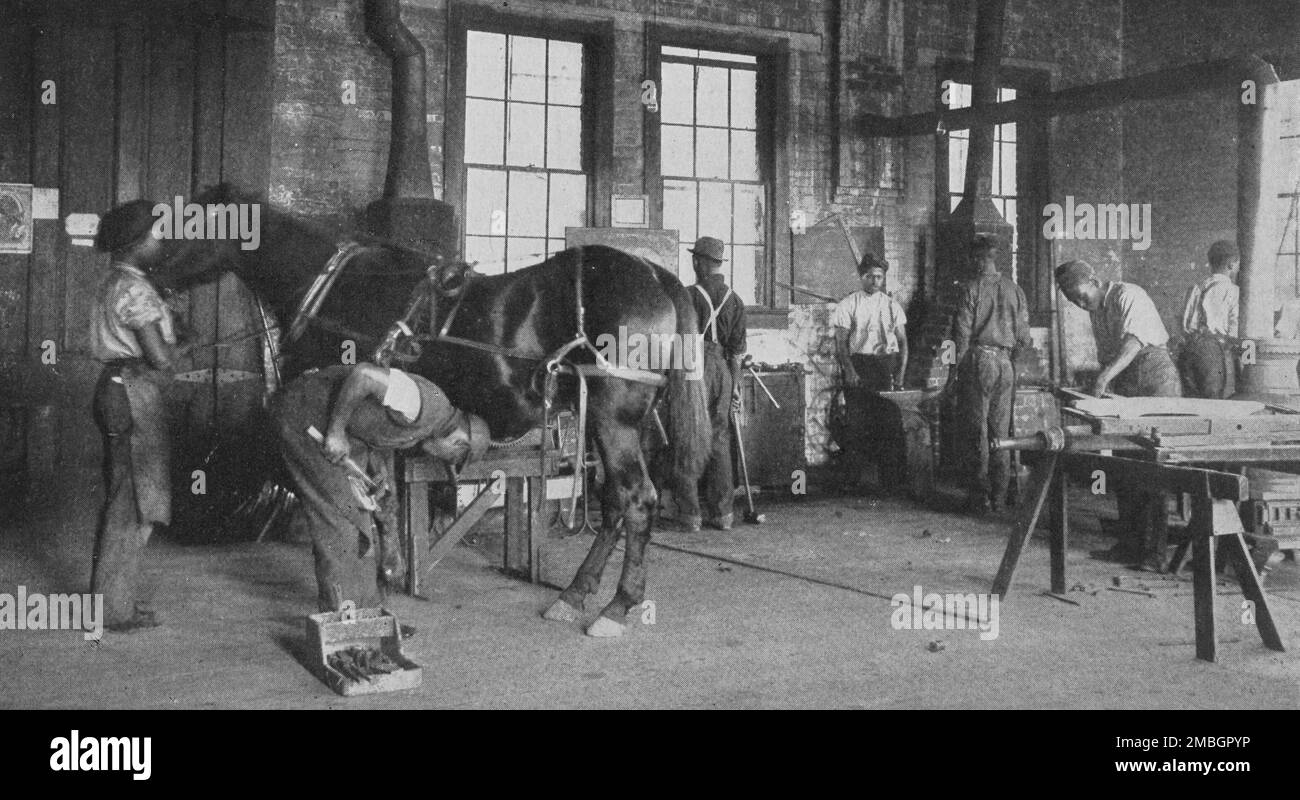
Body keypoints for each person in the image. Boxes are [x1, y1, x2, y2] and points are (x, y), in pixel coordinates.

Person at [271, 363, 489, 612]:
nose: (440, 461)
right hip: (306, 413)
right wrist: (336, 431)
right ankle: (342, 618)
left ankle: (367, 613)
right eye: (449, 458)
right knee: (340, 520)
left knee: (364, 521)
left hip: (341, 430)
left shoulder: (428, 427)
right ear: (459, 442)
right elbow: (364, 375)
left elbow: (382, 437)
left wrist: (381, 485)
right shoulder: (423, 405)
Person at [90, 199, 183, 632]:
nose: (160, 241)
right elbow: (160, 360)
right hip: (131, 391)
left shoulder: (119, 280)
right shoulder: (135, 289)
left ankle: (117, 600)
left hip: (116, 388)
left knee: (128, 498)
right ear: (135, 243)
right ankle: (111, 610)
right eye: (155, 234)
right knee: (129, 503)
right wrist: (187, 348)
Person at [1056, 260, 1181, 569]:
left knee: (1153, 467)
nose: (1080, 303)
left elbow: (1133, 344)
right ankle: (1129, 545)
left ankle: (1154, 554)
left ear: (1095, 280)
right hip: (1128, 381)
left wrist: (1102, 379)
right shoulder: (1097, 312)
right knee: (1124, 464)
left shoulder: (1128, 295)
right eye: (1073, 301)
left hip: (1154, 377)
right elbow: (1109, 358)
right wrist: (1096, 381)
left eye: (1081, 296)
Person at [950, 235, 1032, 513]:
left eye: (973, 258)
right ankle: (999, 496)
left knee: (978, 431)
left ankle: (979, 498)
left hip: (979, 360)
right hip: (1005, 364)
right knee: (1001, 431)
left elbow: (960, 337)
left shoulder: (970, 289)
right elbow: (1024, 338)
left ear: (977, 258)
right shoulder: (1015, 290)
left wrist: (954, 373)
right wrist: (1009, 360)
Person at [674, 235, 747, 532]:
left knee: (688, 433)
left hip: (693, 364)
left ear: (698, 262)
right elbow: (738, 352)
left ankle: (691, 515)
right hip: (723, 369)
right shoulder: (736, 300)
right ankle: (723, 514)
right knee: (719, 437)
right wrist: (735, 386)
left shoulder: (688, 295)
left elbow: (680, 341)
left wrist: (674, 380)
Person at [832, 252, 909, 493]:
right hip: (859, 365)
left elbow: (903, 343)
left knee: (890, 424)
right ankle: (852, 482)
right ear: (862, 277)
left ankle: (892, 483)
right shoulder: (848, 304)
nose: (876, 282)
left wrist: (900, 373)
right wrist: (850, 371)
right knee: (856, 424)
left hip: (886, 365)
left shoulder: (891, 305)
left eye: (880, 277)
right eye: (871, 277)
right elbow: (841, 344)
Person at [1179, 240, 1240, 399]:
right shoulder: (1232, 290)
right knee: (1213, 403)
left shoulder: (1196, 287)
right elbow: (1234, 330)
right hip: (1212, 350)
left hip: (1188, 347)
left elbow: (1184, 323)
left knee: (1191, 403)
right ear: (1231, 265)